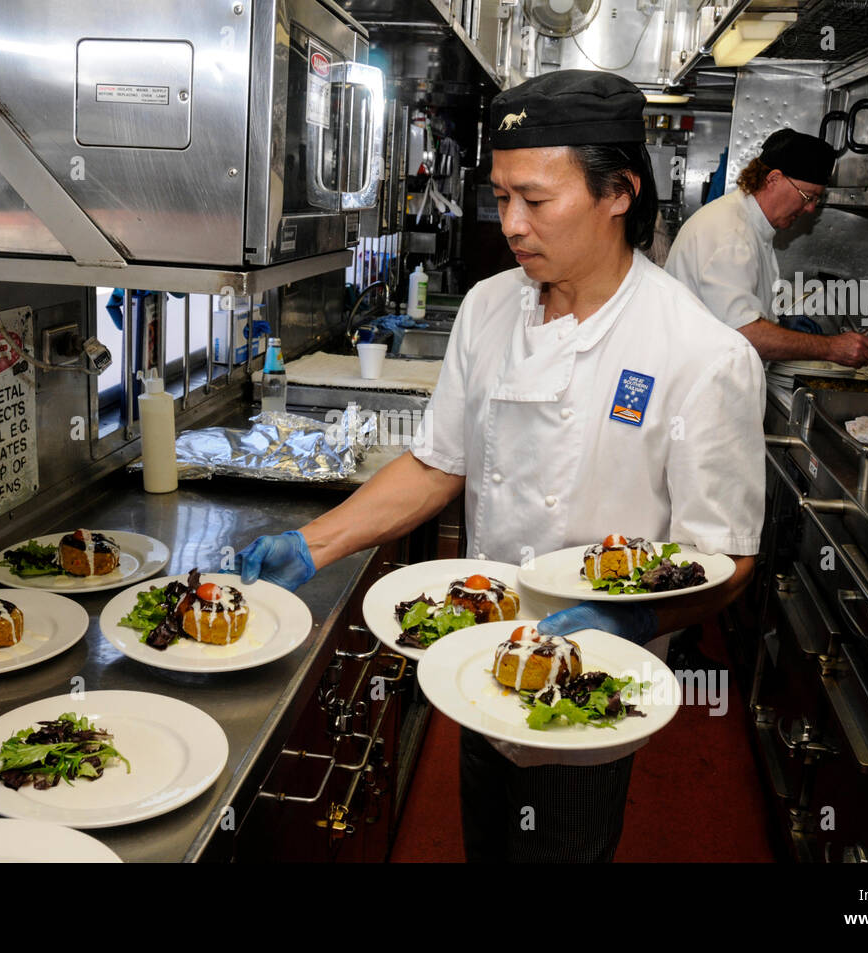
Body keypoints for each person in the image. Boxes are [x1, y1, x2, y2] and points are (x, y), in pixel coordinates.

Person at [234, 70, 766, 862]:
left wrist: (639, 618)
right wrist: (316, 542)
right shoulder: (488, 307)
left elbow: (727, 556)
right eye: (500, 195)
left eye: (536, 200)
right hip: (478, 661)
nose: (511, 224)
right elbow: (439, 463)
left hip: (590, 685)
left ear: (619, 191)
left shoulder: (701, 355)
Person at [665, 129, 868, 367]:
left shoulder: (746, 224)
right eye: (808, 197)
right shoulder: (731, 234)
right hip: (699, 383)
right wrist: (831, 347)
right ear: (773, 179)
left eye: (817, 200)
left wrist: (777, 324)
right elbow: (744, 333)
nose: (810, 209)